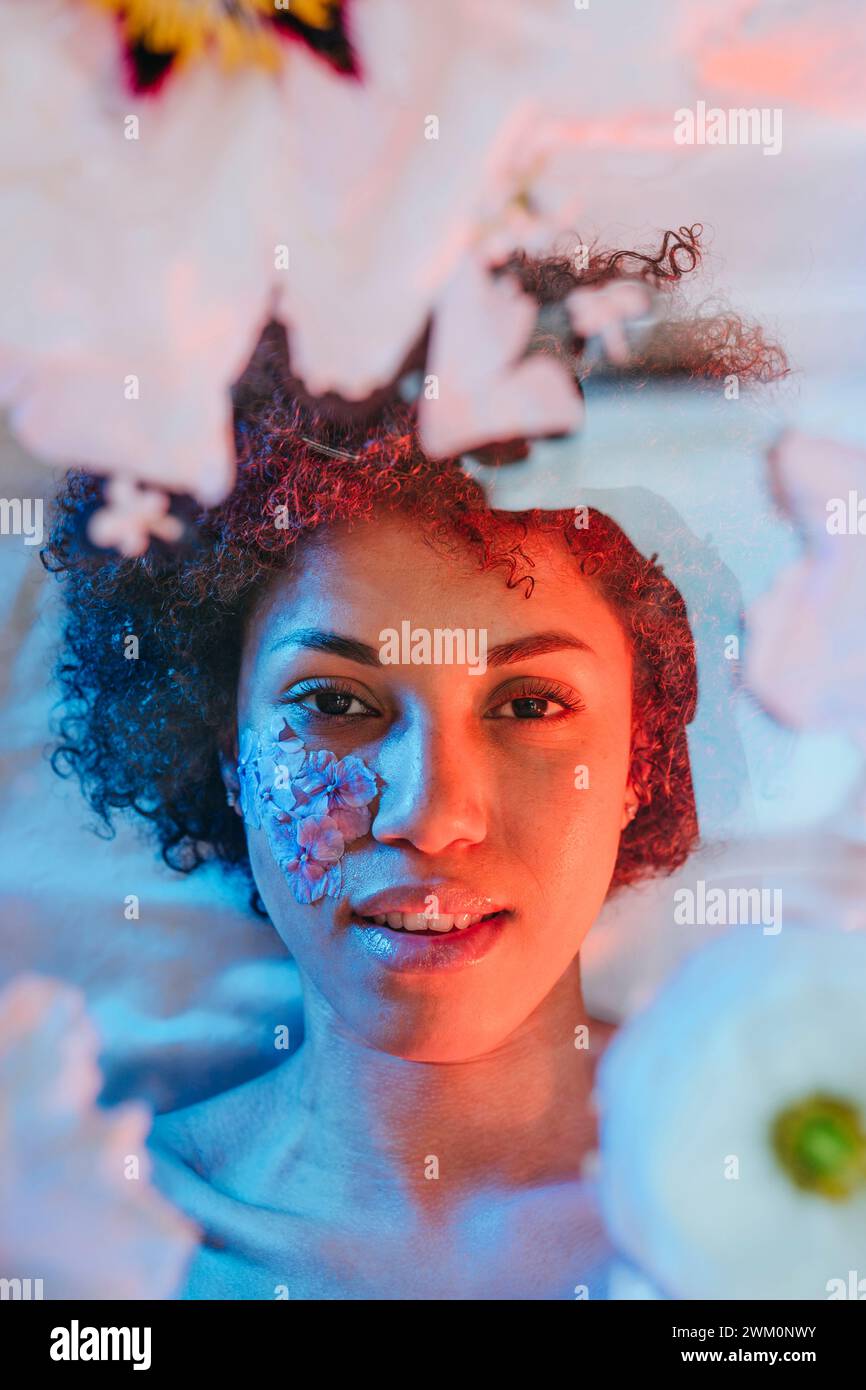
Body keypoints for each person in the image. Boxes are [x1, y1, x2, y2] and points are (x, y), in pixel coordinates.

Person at [42, 231, 784, 1299]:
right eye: (336, 703)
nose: (432, 818)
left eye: (528, 704)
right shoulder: (74, 1244)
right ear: (225, 751)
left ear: (642, 752)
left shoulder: (811, 1185)